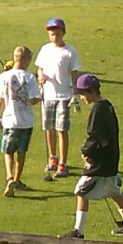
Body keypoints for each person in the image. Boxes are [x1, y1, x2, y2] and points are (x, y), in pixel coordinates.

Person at [61, 73, 123, 239]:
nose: (82, 97)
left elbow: (94, 136)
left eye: (83, 93)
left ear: (92, 91)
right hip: (111, 158)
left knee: (81, 191)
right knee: (114, 191)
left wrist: (86, 152)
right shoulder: (108, 106)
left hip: (99, 161)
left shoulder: (98, 110)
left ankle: (78, 231)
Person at [35, 17, 80, 180]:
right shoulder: (45, 49)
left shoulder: (70, 51)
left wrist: (75, 93)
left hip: (64, 96)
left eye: (57, 33)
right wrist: (40, 75)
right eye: (51, 33)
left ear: (63, 33)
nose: (54, 36)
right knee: (49, 128)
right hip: (47, 95)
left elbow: (74, 73)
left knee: (62, 130)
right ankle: (52, 157)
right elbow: (39, 68)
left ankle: (63, 162)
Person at [0, 46, 42, 197]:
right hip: (26, 122)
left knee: (8, 152)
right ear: (27, 60)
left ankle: (9, 177)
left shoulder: (4, 76)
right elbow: (35, 98)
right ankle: (17, 179)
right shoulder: (30, 78)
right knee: (21, 152)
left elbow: (0, 99)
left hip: (9, 120)